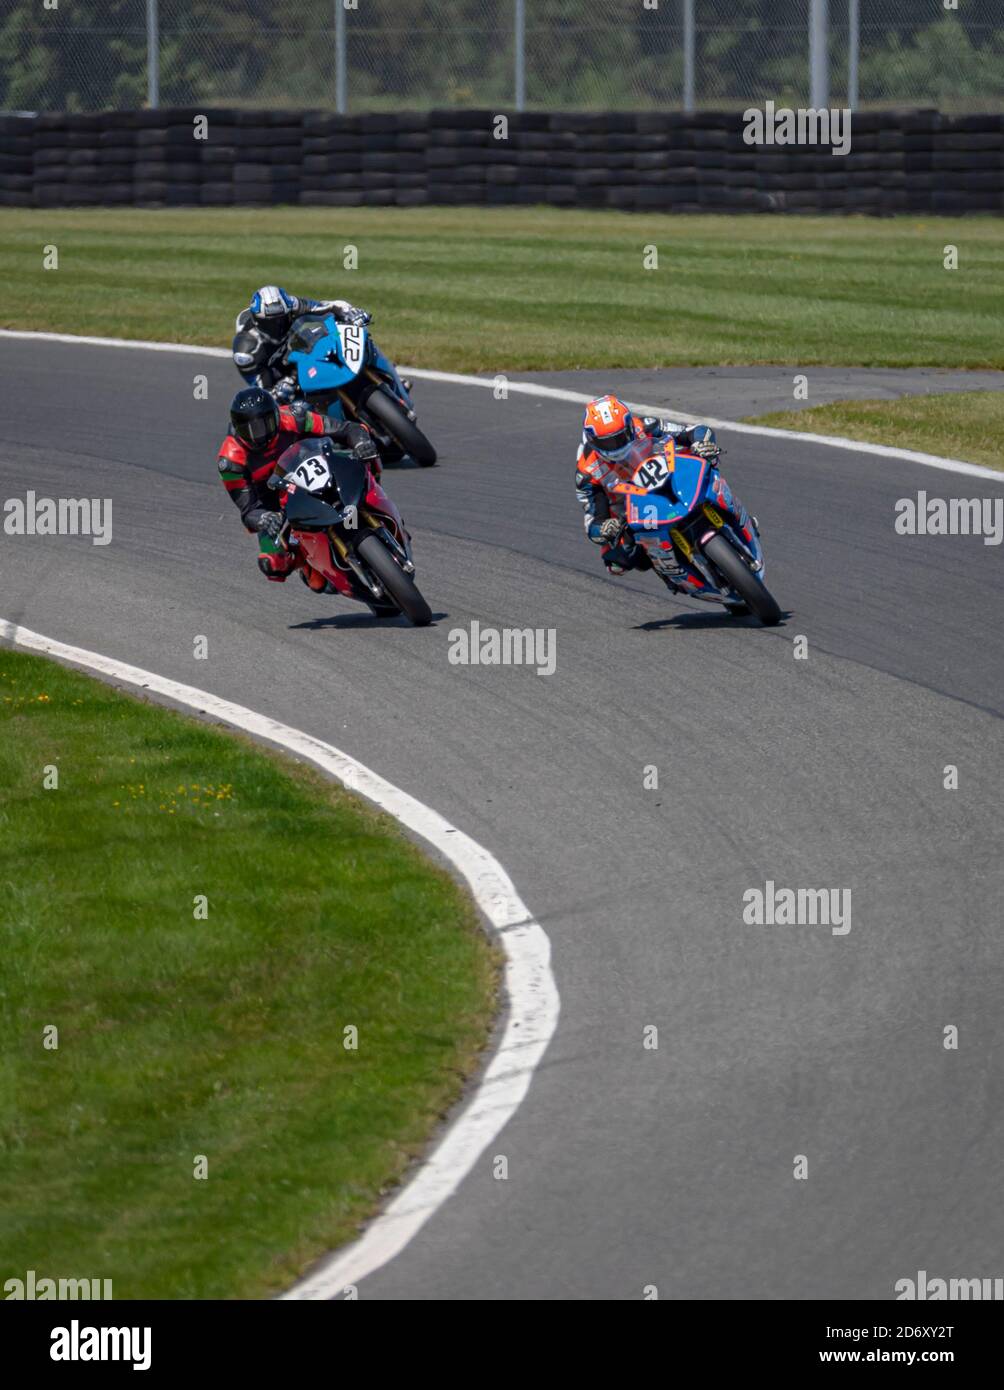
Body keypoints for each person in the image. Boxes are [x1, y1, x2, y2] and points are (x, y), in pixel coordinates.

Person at [217, 386, 378, 590]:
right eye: (249, 429)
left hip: (316, 469)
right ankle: (308, 563)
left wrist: (361, 442)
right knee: (272, 563)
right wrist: (264, 519)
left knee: (365, 455)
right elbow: (248, 509)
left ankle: (373, 497)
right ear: (237, 429)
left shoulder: (294, 417)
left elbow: (345, 429)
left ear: (276, 416)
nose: (259, 435)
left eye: (264, 424)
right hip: (276, 504)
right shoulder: (231, 460)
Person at [574, 394, 739, 581]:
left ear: (629, 426)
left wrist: (702, 443)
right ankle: (672, 572)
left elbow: (694, 430)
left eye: (621, 437)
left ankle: (736, 515)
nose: (616, 445)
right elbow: (593, 520)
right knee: (618, 562)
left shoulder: (645, 425)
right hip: (629, 506)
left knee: (709, 468)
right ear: (592, 440)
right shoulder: (587, 472)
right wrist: (605, 528)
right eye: (608, 442)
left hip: (670, 477)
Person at [232, 284, 371, 391]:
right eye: (271, 324)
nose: (278, 326)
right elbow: (261, 389)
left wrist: (350, 313)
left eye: (282, 319)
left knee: (331, 336)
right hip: (277, 378)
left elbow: (327, 306)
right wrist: (277, 390)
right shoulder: (246, 351)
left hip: (296, 346)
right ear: (257, 323)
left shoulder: (292, 304)